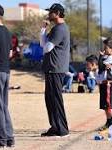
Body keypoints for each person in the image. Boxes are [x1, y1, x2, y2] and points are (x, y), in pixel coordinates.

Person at [40, 3, 70, 136]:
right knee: (50, 98)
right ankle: (55, 126)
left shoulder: (60, 29)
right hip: (52, 68)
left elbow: (47, 48)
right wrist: (43, 30)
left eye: (51, 12)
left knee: (56, 98)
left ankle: (62, 129)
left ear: (57, 13)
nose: (49, 14)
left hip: (55, 68)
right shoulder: (56, 28)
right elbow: (43, 44)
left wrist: (45, 39)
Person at [0, 3, 14, 148]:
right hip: (6, 71)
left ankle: (0, 139)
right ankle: (9, 137)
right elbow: (10, 53)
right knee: (3, 105)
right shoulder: (7, 31)